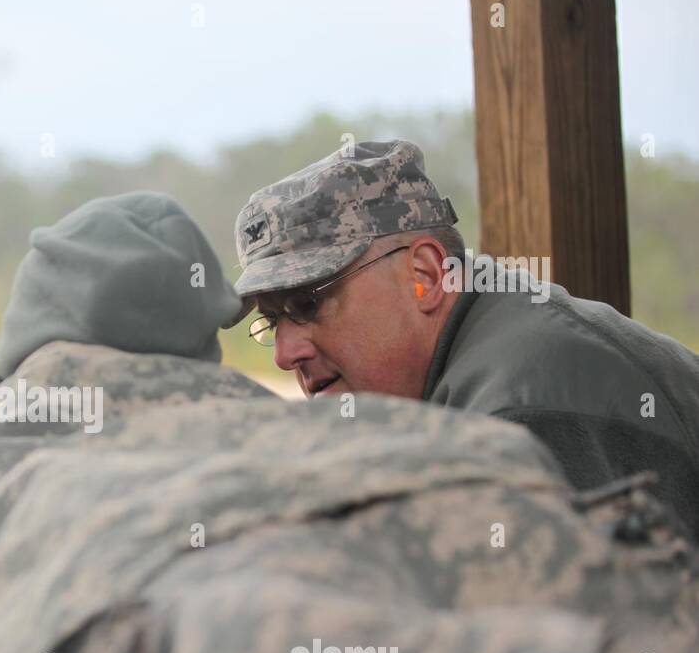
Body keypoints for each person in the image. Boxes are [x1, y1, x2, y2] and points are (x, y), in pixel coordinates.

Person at [223, 139, 699, 536]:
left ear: (426, 276)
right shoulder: (482, 336)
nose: (286, 354)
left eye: (308, 303)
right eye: (273, 320)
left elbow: (559, 639)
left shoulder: (520, 416)